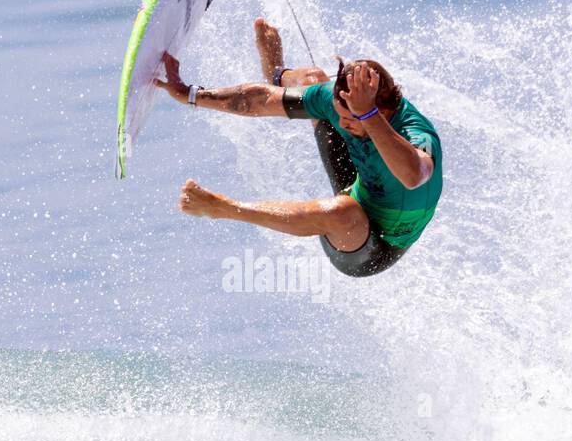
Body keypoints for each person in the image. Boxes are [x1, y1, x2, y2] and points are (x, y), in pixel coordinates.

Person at [153, 18, 443, 276]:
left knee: (345, 213)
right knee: (314, 80)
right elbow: (261, 100)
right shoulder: (340, 101)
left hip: (373, 248)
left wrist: (367, 116)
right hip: (359, 187)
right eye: (342, 117)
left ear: (383, 110)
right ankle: (278, 73)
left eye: (354, 122)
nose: (345, 128)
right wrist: (191, 94)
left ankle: (223, 208)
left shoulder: (416, 132)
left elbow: (413, 176)